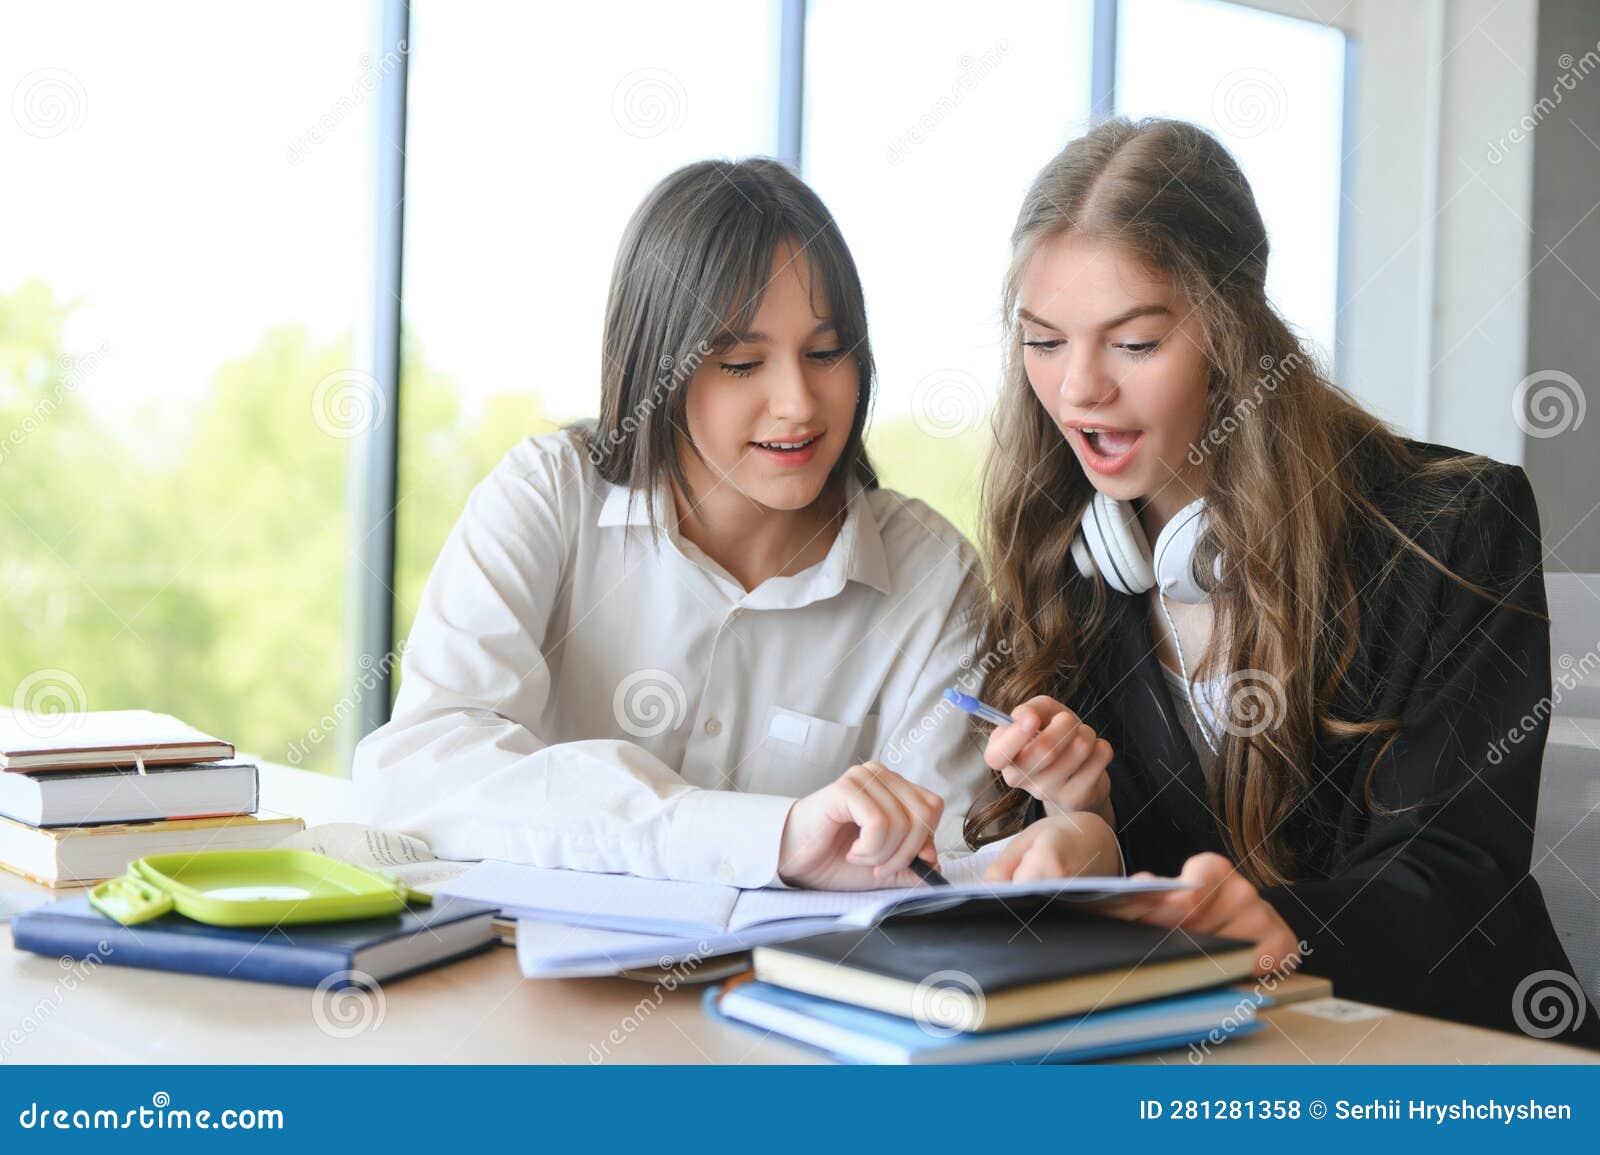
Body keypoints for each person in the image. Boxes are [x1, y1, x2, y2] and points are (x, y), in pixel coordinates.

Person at [967, 116, 1599, 1047]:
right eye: (1044, 341)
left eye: (1134, 343)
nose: (1077, 391)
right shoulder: (1072, 550)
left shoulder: (1456, 522)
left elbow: (1458, 868)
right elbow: (1079, 871)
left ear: (1235, 330)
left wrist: (1288, 929)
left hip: (1448, 1049)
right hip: (1197, 1053)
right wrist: (1080, 820)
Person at [354, 158, 989, 891]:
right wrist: (766, 835)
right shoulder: (548, 498)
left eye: (825, 353)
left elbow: (943, 870)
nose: (799, 403)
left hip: (784, 994)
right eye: (743, 362)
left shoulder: (932, 577)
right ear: (657, 367)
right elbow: (417, 773)